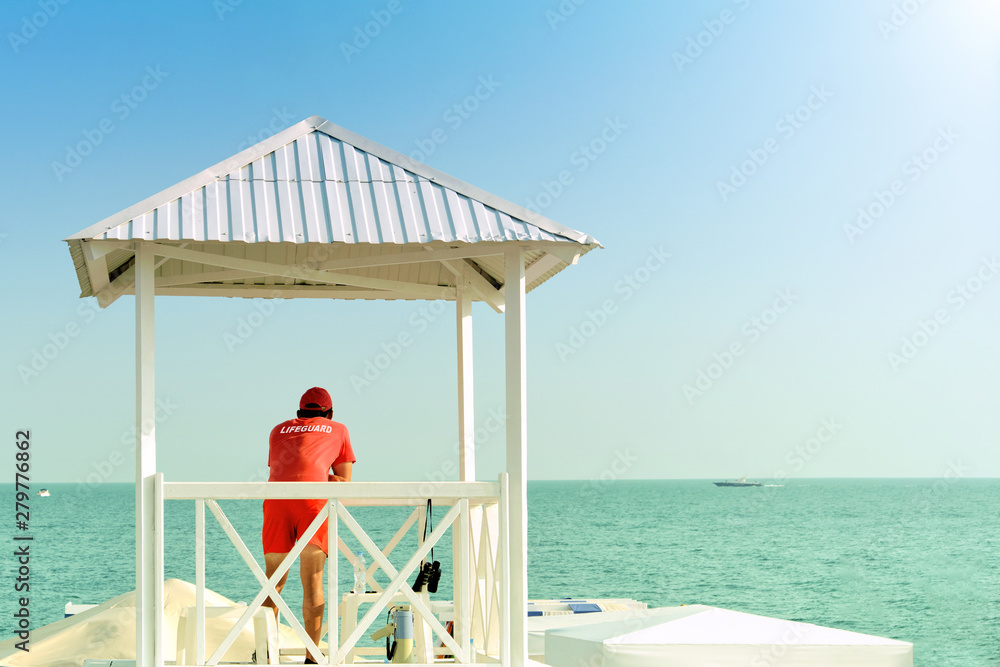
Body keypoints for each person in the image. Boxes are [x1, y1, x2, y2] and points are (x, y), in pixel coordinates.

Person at [262, 387, 355, 664]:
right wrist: (318, 474)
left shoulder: (278, 429)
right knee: (312, 581)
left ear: (298, 413)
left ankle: (268, 653)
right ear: (330, 413)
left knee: (273, 581)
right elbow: (344, 484)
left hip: (276, 501)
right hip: (312, 504)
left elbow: (281, 470)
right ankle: (312, 657)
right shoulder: (338, 428)